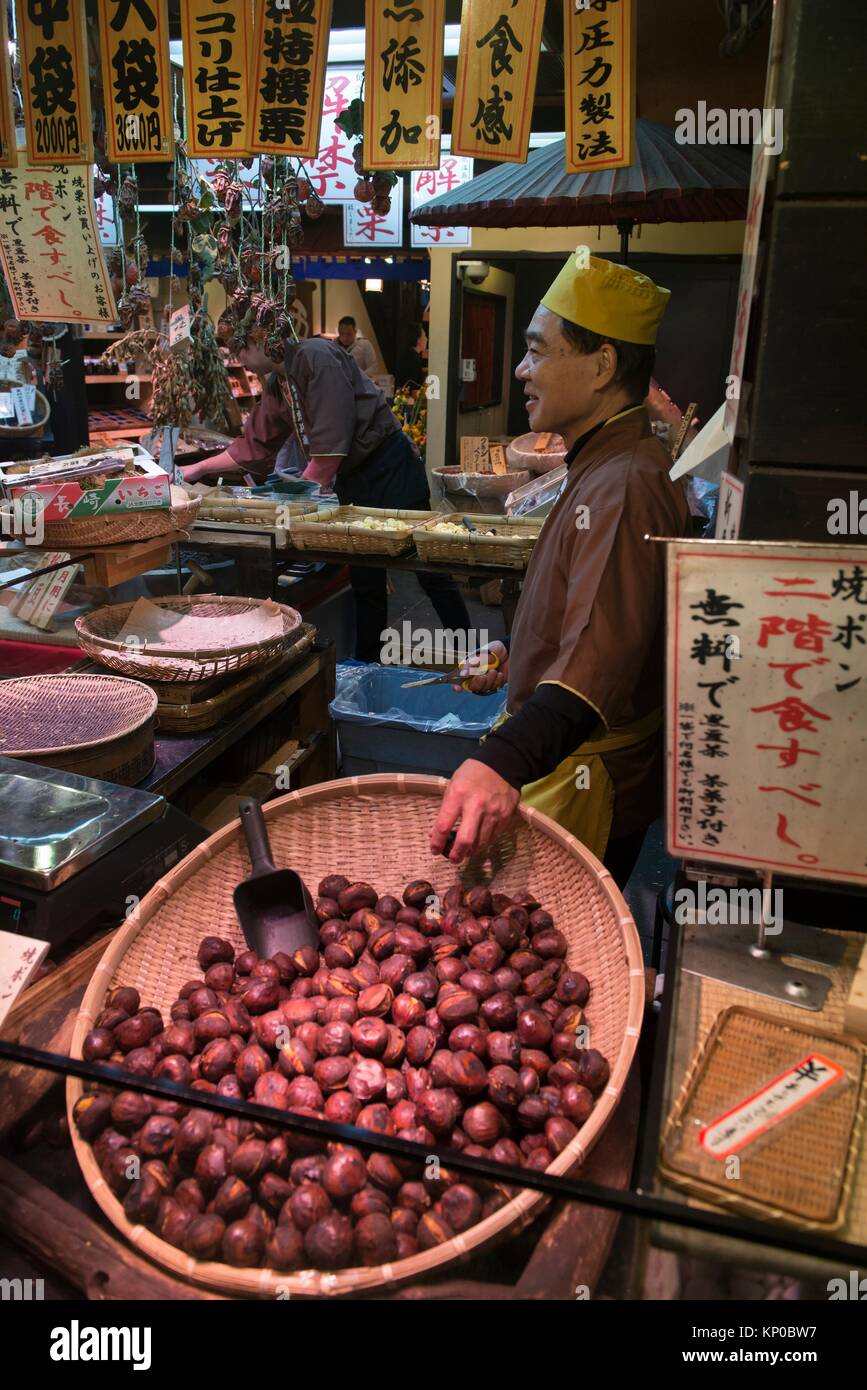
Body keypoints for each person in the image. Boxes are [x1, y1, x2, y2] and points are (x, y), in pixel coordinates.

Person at [430, 254, 691, 889]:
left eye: (537, 352)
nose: (521, 370)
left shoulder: (625, 483)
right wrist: (519, 653)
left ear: (602, 365)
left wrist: (503, 759)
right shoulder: (602, 463)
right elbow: (588, 610)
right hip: (568, 757)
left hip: (584, 777)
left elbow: (601, 657)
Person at [180, 328, 471, 663]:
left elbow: (331, 450)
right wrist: (197, 470)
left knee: (428, 566)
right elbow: (253, 449)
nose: (238, 358)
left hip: (388, 466)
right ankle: (367, 666)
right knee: (366, 575)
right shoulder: (279, 381)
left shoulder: (315, 356)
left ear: (261, 338)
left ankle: (470, 657)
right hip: (353, 478)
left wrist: (289, 502)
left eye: (240, 348)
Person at [395, 321, 428, 391]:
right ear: (418, 340)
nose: (426, 339)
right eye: (424, 336)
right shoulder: (414, 359)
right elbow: (412, 386)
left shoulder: (407, 354)